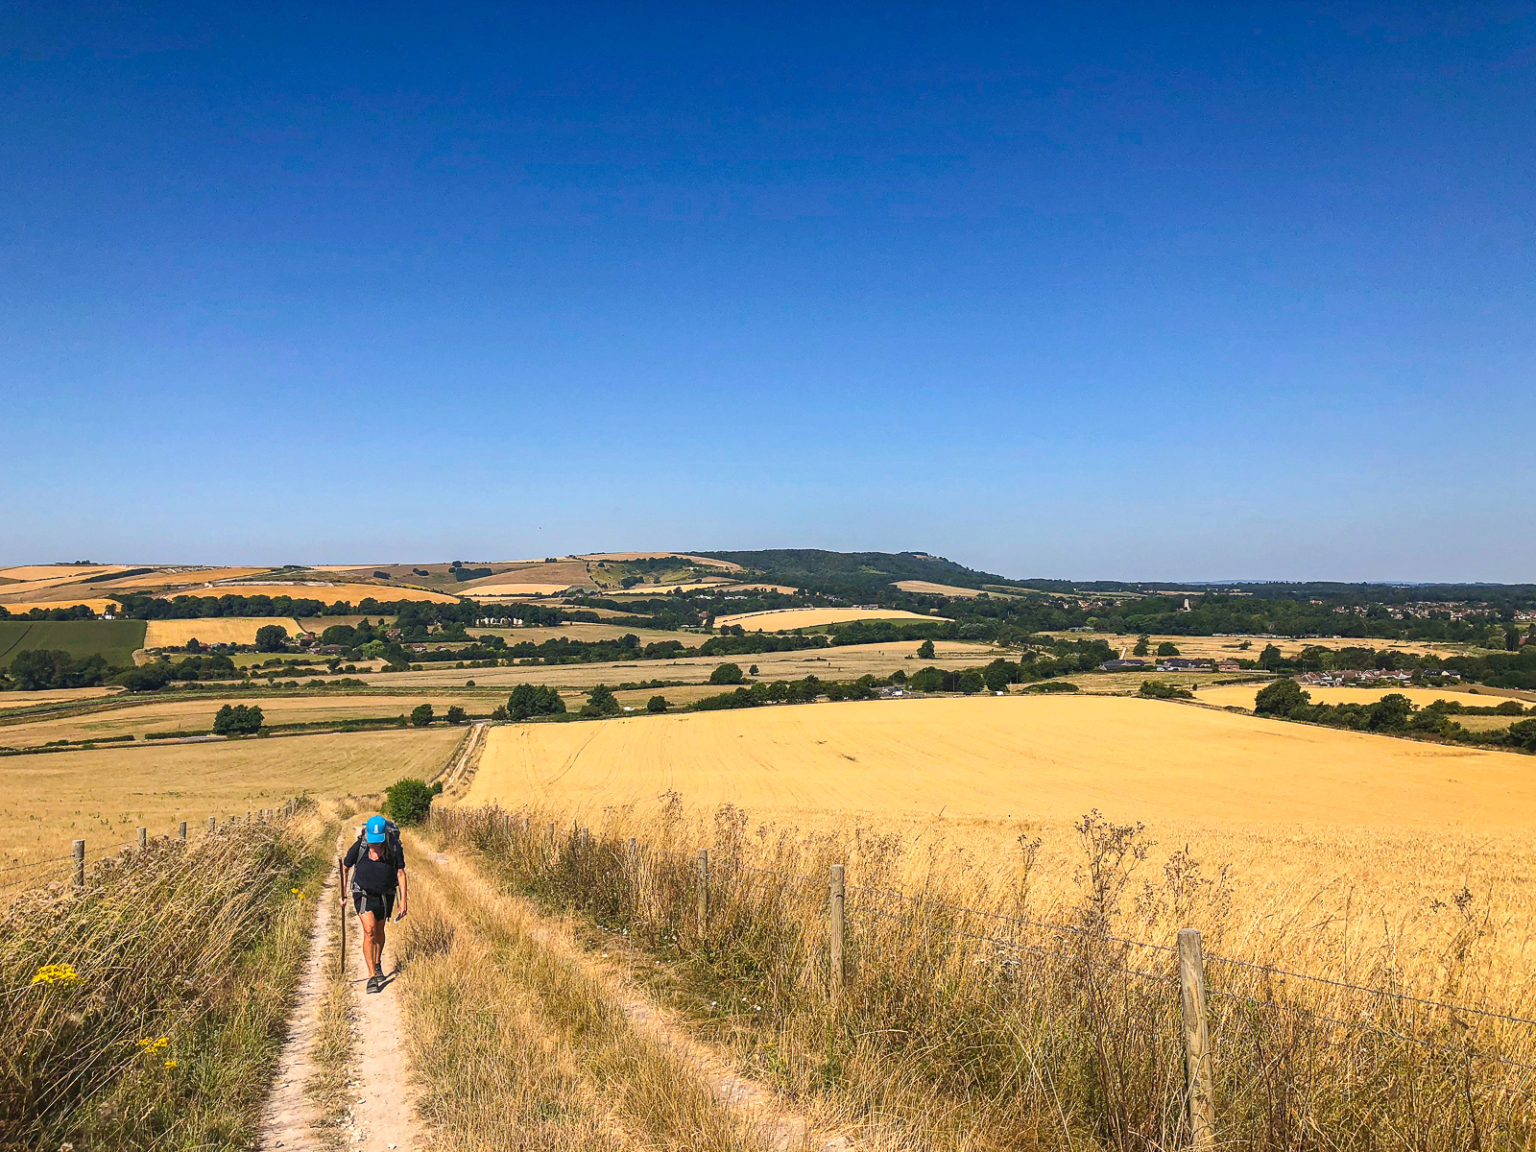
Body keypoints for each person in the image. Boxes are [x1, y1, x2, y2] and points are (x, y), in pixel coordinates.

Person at [342, 815, 407, 993]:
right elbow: (346, 867)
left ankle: (377, 963)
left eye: (378, 842)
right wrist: (343, 894)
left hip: (385, 895)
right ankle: (372, 977)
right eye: (373, 842)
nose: (375, 846)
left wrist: (404, 902)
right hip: (362, 893)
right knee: (369, 930)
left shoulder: (394, 847)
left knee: (379, 931)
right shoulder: (360, 846)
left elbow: (400, 874)